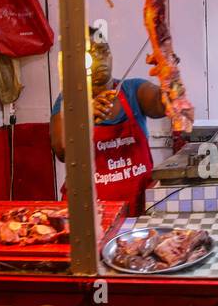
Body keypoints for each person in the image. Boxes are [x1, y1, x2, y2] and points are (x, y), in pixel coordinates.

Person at [50, 26, 168, 214]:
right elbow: (61, 150)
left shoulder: (132, 90)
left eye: (104, 51)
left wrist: (168, 74)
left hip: (139, 209)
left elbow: (164, 105)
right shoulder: (69, 100)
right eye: (91, 54)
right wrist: (83, 118)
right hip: (90, 216)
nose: (100, 58)